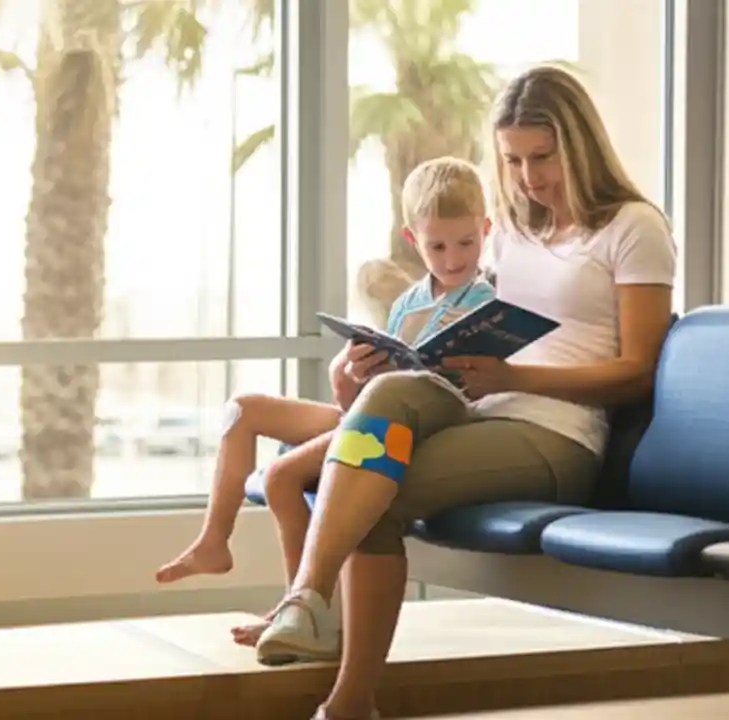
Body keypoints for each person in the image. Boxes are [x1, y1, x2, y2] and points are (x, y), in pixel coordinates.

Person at [252, 65, 676, 720]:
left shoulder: (631, 226)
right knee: (389, 392)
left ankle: (346, 700)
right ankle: (308, 600)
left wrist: (514, 377)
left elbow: (637, 370)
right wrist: (359, 373)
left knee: (376, 496)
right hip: (481, 410)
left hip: (558, 435)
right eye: (512, 160)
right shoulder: (508, 229)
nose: (529, 177)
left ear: (580, 144)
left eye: (543, 156)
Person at [155, 156, 497, 615]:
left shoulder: (487, 299)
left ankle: (302, 610)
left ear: (486, 230)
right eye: (437, 247)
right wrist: (356, 374)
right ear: (412, 240)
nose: (453, 259)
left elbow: (481, 392)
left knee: (280, 478)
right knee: (242, 409)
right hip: (377, 414)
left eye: (466, 243)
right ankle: (214, 541)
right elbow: (365, 398)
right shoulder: (409, 302)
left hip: (426, 431)